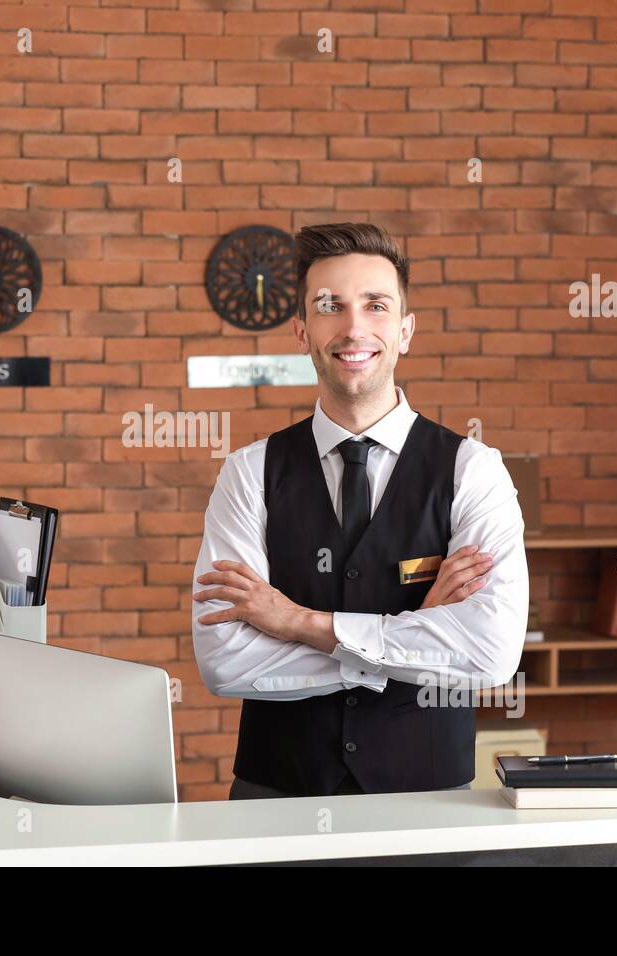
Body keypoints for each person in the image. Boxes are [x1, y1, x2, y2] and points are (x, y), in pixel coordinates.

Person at [191, 221, 528, 799]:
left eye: (376, 305)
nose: (354, 328)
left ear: (405, 330)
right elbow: (226, 662)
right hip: (274, 801)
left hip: (427, 804)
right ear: (302, 330)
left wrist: (299, 623)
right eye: (330, 306)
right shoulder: (249, 472)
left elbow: (490, 654)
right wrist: (414, 635)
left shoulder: (473, 469)